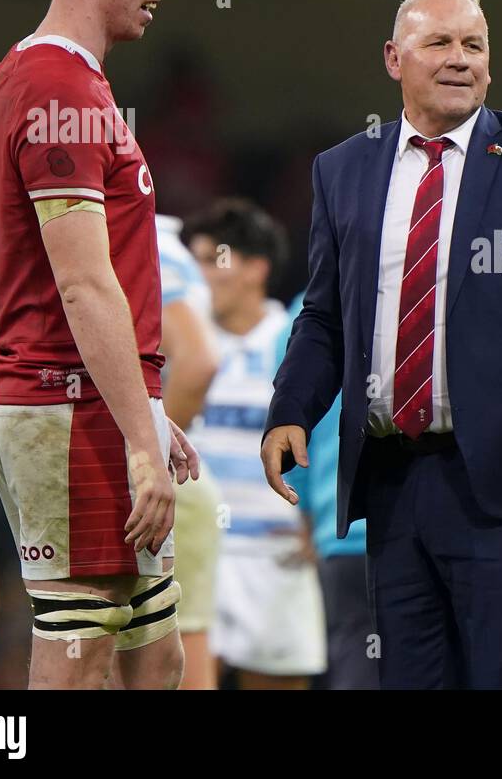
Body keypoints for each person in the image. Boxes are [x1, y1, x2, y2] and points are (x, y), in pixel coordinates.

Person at [261, 0, 502, 689]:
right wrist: (291, 409)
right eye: (439, 42)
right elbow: (323, 316)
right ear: (393, 57)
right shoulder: (342, 169)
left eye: (474, 45)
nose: (459, 59)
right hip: (394, 477)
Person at [0, 0, 199, 689]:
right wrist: (138, 438)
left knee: (156, 649)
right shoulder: (58, 86)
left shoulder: (51, 76)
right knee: (84, 643)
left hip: (94, 399)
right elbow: (80, 282)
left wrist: (145, 408)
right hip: (63, 405)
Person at [187, 199, 326, 688]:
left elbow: (330, 432)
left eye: (213, 260)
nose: (200, 274)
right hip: (195, 549)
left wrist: (321, 520)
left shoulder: (299, 340)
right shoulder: (183, 345)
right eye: (194, 261)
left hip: (275, 550)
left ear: (254, 268)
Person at [276, 293, 374, 689]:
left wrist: (307, 513)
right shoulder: (405, 289)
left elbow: (290, 424)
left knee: (355, 654)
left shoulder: (299, 319)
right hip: (413, 517)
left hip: (339, 526)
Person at [156, 213, 222, 689]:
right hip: (183, 480)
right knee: (179, 632)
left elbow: (198, 362)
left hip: (162, 481)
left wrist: (149, 452)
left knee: (176, 635)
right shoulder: (175, 252)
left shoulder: (144, 249)